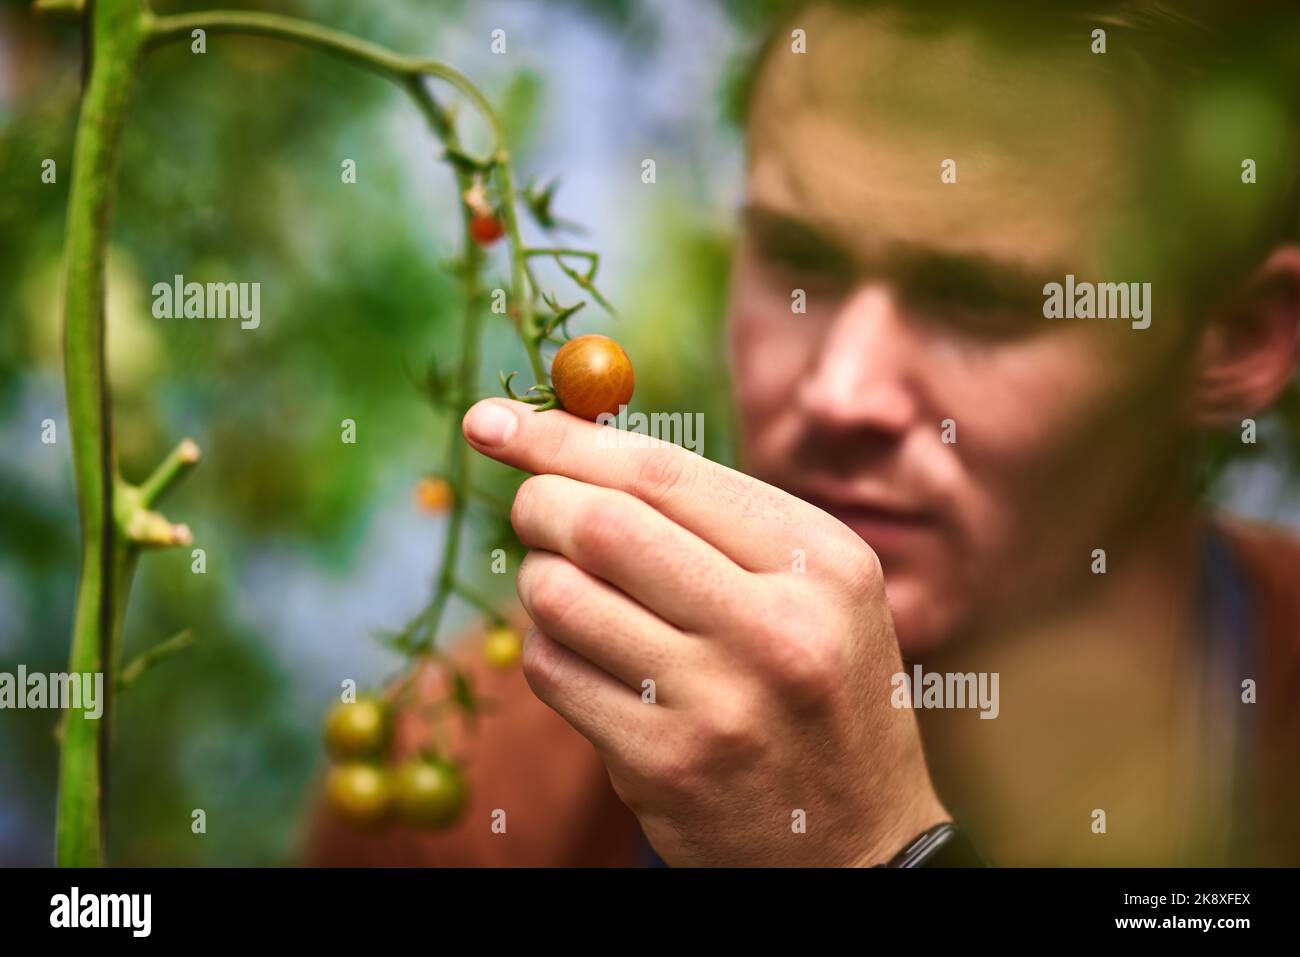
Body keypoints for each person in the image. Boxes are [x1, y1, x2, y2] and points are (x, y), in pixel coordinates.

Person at [308, 0, 1300, 866]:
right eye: (799, 262)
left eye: (982, 300)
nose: (840, 390)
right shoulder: (472, 792)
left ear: (1238, 342)